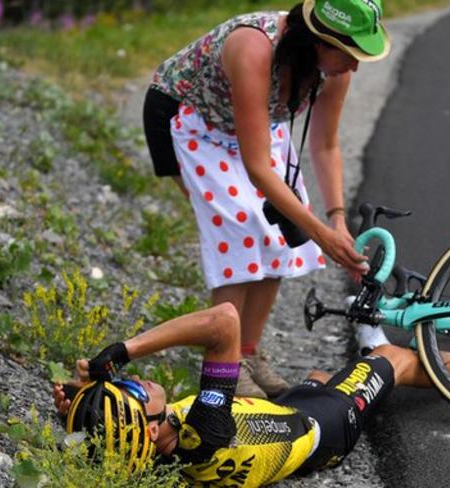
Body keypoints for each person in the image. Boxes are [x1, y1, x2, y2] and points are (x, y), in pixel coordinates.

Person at [142, 0, 391, 398]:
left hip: (255, 124)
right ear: (319, 43)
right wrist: (321, 235)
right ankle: (221, 365)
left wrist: (338, 220)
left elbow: (325, 147)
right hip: (190, 120)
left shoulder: (333, 71)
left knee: (281, 231)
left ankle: (247, 352)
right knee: (242, 225)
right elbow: (258, 167)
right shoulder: (253, 47)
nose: (356, 66)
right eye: (351, 54)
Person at [53, 303, 450, 487]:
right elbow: (224, 321)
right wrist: (123, 353)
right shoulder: (204, 435)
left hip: (286, 411)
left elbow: (106, 440)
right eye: (133, 391)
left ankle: (365, 362)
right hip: (328, 429)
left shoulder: (151, 454)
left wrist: (81, 413)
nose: (141, 383)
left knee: (322, 373)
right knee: (390, 359)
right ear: (150, 431)